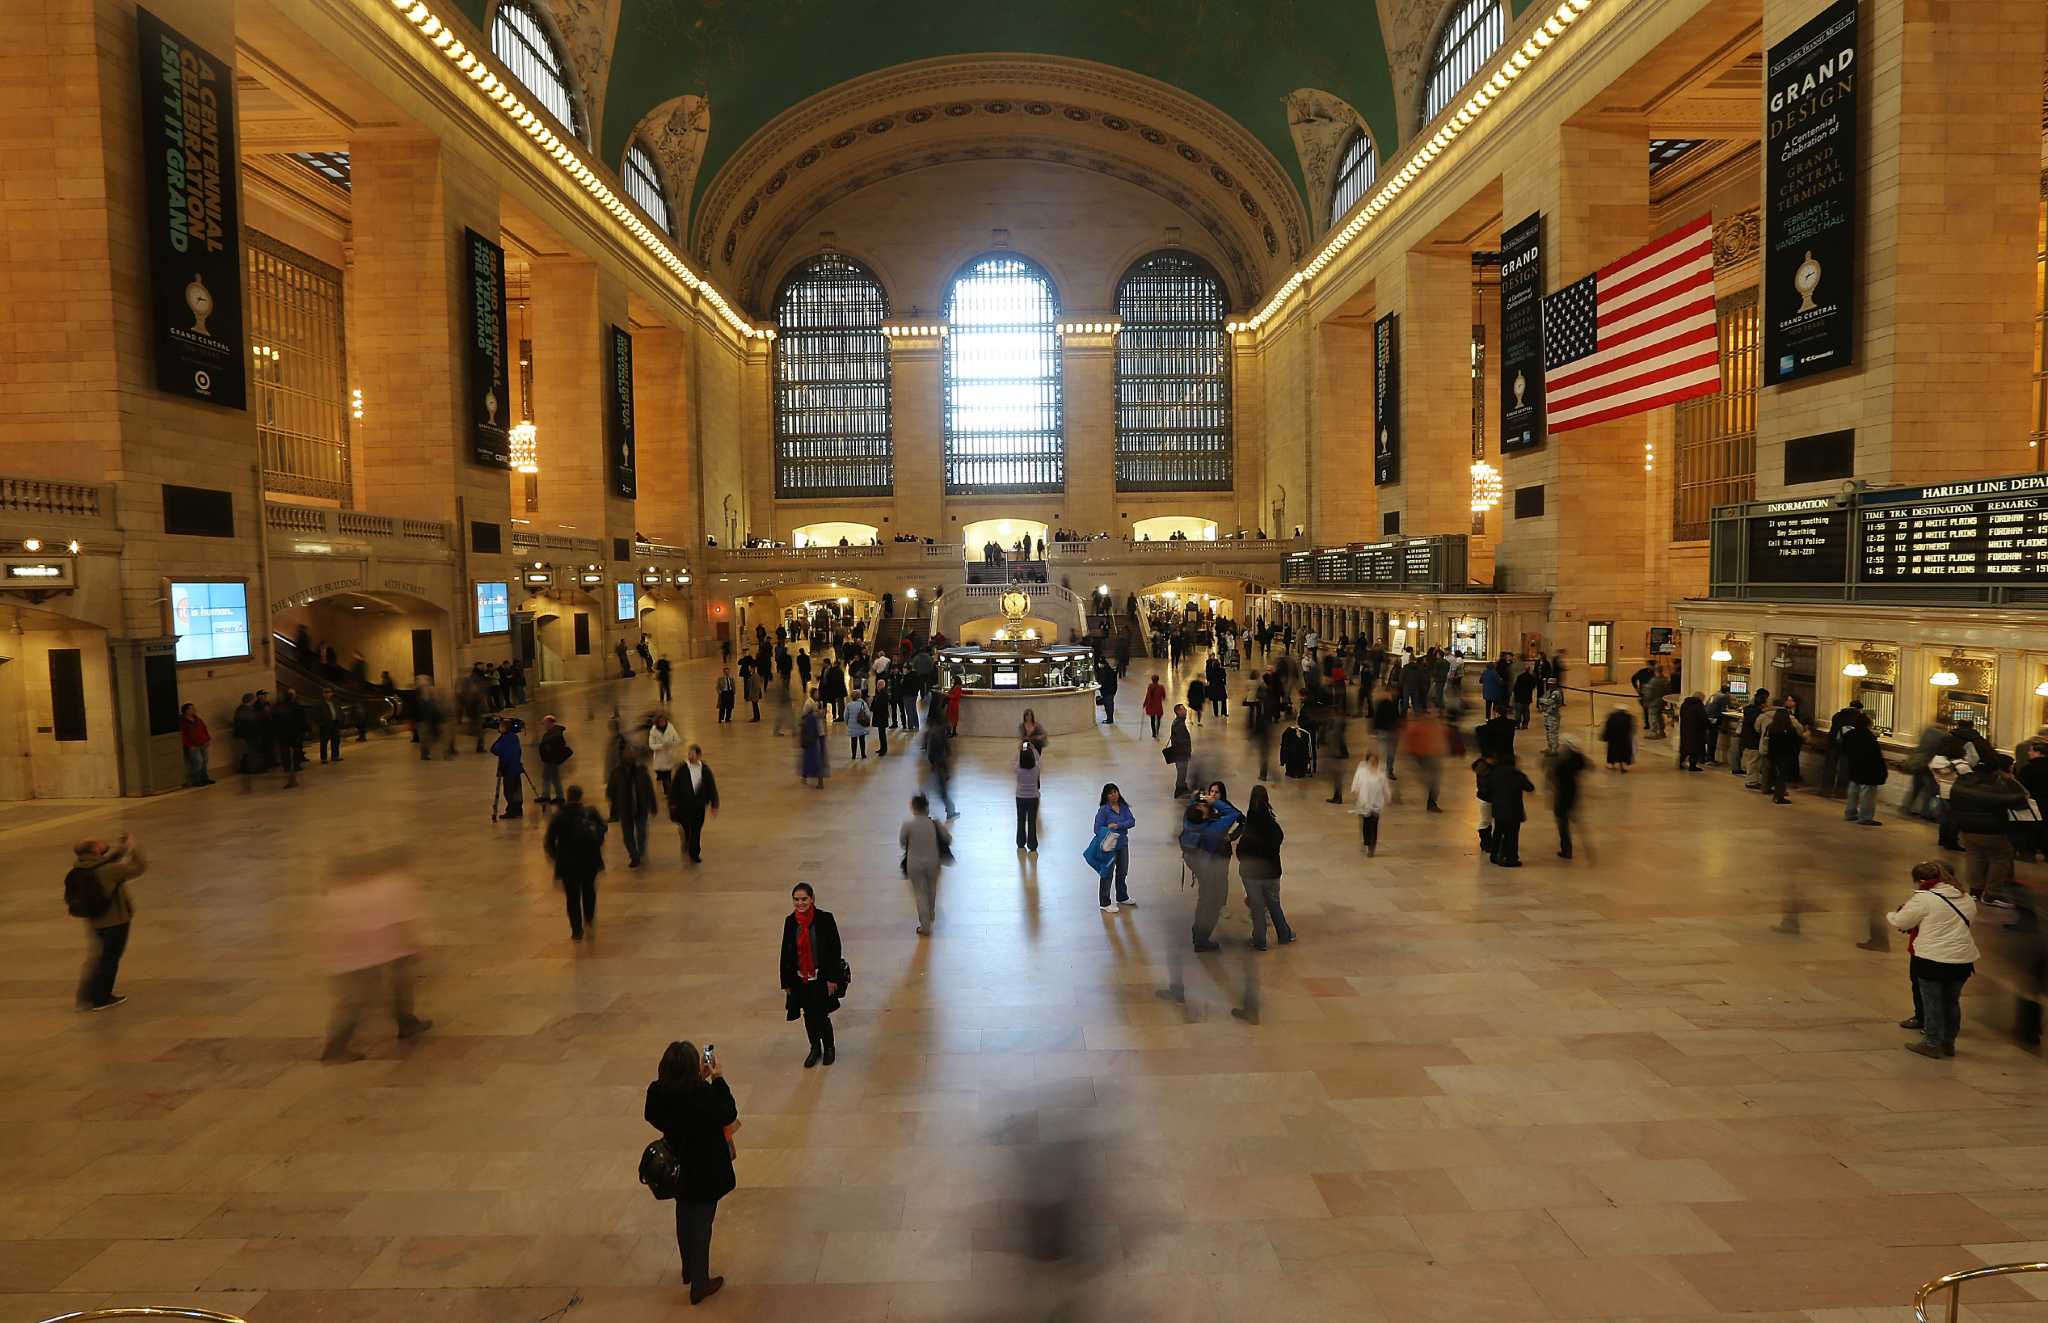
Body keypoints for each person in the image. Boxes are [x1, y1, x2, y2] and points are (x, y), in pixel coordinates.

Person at [644, 1040, 738, 1305]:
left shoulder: (658, 1092)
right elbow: (728, 1112)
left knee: (684, 1213)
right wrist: (717, 1078)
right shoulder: (702, 1095)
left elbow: (651, 1114)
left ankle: (688, 1267)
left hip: (677, 1167)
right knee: (701, 1224)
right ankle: (700, 1282)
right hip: (705, 1168)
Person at [317, 852, 433, 1060]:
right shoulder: (376, 890)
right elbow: (394, 921)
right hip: (365, 957)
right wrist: (415, 944)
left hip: (361, 957)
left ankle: (406, 1022)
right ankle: (335, 1048)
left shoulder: (338, 894)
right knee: (355, 1002)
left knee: (388, 990)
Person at [1887, 860, 1980, 1059]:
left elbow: (1901, 921)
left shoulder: (1924, 899)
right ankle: (1948, 1043)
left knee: (1932, 1002)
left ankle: (1932, 1043)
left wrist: (1892, 914)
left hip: (1933, 960)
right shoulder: (1966, 898)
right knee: (1952, 1002)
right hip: (1962, 960)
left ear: (1921, 880)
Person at [67, 834, 147, 1011]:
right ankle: (101, 998)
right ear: (95, 850)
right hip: (115, 921)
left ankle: (86, 996)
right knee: (110, 959)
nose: (103, 842)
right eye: (98, 842)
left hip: (95, 922)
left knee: (98, 957)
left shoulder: (80, 867)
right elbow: (139, 868)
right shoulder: (109, 870)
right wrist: (134, 849)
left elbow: (105, 861)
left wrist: (122, 849)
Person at [780, 883, 844, 1067]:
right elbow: (786, 951)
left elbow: (834, 950)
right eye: (796, 899)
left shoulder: (825, 919)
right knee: (808, 1015)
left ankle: (829, 1047)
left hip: (820, 977)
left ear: (812, 899)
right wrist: (786, 982)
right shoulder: (790, 922)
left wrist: (832, 978)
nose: (800, 903)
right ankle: (815, 1048)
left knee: (821, 1014)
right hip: (801, 979)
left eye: (804, 899)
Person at [1951, 755, 2028, 903]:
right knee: (2000, 858)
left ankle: (1975, 891)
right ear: (1996, 770)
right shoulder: (1999, 784)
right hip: (1991, 829)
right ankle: (1992, 893)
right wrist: (2010, 778)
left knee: (1974, 857)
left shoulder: (1962, 780)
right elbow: (2021, 798)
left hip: (1966, 827)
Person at [1180, 781, 1242, 952]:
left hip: (1194, 862)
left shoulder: (1188, 820)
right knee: (1211, 903)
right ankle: (1201, 939)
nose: (1205, 805)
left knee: (1203, 898)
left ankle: (1197, 932)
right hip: (1208, 868)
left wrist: (1197, 798)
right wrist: (1216, 802)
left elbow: (1193, 806)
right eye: (1204, 807)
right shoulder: (1213, 829)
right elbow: (1234, 814)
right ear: (1205, 817)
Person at [543, 784, 606, 939]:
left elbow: (549, 841)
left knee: (572, 897)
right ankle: (589, 918)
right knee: (589, 892)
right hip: (588, 861)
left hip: (568, 864)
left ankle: (576, 929)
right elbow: (602, 828)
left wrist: (556, 857)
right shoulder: (589, 812)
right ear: (580, 797)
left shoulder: (559, 816)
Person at [1236, 785, 1295, 951]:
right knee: (1274, 905)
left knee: (1257, 907)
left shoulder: (1250, 826)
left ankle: (1260, 940)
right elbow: (1279, 838)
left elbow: (1241, 851)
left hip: (1252, 874)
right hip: (1271, 872)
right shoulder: (1272, 824)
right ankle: (1284, 934)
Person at [900, 793, 951, 935]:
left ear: (913, 807)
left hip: (914, 863)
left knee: (919, 893)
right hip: (933, 862)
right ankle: (931, 912)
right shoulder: (935, 823)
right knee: (932, 889)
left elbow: (902, 842)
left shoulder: (908, 825)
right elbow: (948, 839)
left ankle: (925, 925)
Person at [607, 743, 657, 868]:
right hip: (625, 809)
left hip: (641, 808)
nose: (629, 759)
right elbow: (610, 792)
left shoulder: (642, 772)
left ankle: (640, 852)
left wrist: (652, 805)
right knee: (627, 835)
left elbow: (649, 789)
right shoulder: (616, 773)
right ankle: (634, 856)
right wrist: (615, 807)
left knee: (641, 832)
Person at [1091, 784, 1136, 913]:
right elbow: (1097, 829)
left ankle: (1122, 896)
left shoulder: (1124, 808)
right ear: (1106, 796)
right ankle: (1104, 902)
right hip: (1109, 848)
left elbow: (1132, 821)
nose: (1114, 795)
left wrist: (1118, 825)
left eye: (1115, 792)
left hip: (1122, 845)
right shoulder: (1103, 810)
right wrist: (1109, 829)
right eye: (1110, 793)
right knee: (1107, 873)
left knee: (1122, 871)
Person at [1486, 752, 1534, 866]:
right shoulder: (1516, 774)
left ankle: (1494, 855)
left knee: (1497, 832)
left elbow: (1488, 788)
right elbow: (1530, 787)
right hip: (1513, 810)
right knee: (1512, 835)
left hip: (1498, 809)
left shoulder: (1494, 773)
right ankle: (1510, 859)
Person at [1840, 712, 1888, 826]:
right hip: (1868, 769)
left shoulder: (1849, 734)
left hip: (1854, 766)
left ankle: (1850, 813)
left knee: (1853, 791)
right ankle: (1865, 817)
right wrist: (1882, 770)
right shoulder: (1868, 737)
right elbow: (1875, 755)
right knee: (1867, 794)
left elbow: (1844, 749)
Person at [1550, 740, 1589, 859]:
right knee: (1567, 821)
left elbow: (1554, 775)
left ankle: (1566, 849)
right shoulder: (1576, 760)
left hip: (1562, 796)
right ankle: (1566, 848)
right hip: (1573, 793)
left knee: (1563, 823)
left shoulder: (1562, 763)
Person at [1348, 750, 1390, 856]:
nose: (1373, 762)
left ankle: (1372, 847)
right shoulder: (1361, 771)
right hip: (1364, 802)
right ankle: (1366, 842)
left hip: (1376, 803)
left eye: (1375, 760)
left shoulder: (1381, 772)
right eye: (1371, 760)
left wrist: (1388, 796)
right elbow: (1356, 784)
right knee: (1366, 825)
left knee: (1374, 825)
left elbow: (1385, 786)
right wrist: (1356, 794)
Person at [1763, 708, 1803, 804]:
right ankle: (1779, 796)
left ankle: (1772, 791)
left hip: (1772, 754)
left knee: (1774, 774)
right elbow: (1796, 742)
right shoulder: (1790, 729)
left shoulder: (1770, 727)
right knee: (1782, 776)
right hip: (1785, 755)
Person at [271, 690, 307, 788]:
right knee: (296, 751)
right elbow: (302, 720)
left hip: (282, 735)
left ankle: (287, 767)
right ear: (292, 697)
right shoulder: (296, 707)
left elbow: (273, 721)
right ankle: (295, 768)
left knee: (285, 752)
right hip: (295, 734)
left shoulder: (277, 708)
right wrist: (305, 731)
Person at [490, 717, 525, 818]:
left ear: (504, 728)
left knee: (509, 791)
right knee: (517, 790)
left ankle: (511, 811)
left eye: (500, 726)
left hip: (508, 769)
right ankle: (518, 810)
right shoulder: (514, 737)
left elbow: (495, 750)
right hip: (516, 767)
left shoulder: (504, 739)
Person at [923, 718, 957, 819]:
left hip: (937, 766)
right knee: (941, 791)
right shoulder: (940, 734)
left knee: (931, 790)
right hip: (940, 766)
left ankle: (926, 813)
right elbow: (948, 751)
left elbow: (930, 753)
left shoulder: (933, 733)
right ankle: (950, 811)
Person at [535, 715, 572, 806]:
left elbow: (557, 745)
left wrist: (547, 747)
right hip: (550, 759)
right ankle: (549, 795)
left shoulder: (555, 733)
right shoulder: (554, 732)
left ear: (550, 722)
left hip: (552, 759)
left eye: (545, 723)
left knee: (553, 778)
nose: (544, 725)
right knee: (549, 777)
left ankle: (557, 797)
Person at [1736, 688, 1769, 780]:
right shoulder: (1758, 714)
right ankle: (1751, 781)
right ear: (1762, 704)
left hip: (1747, 738)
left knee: (1750, 759)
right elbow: (1757, 727)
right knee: (1753, 761)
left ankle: (1751, 779)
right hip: (1754, 739)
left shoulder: (1749, 710)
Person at [1014, 742, 1042, 852]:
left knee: (1020, 820)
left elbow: (1016, 759)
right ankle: (1032, 844)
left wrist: (1020, 750)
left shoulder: (1018, 769)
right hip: (1033, 798)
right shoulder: (1036, 769)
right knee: (1031, 821)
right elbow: (1039, 759)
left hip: (1020, 797)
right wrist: (1033, 749)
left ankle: (1020, 842)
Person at [178, 702, 213, 787]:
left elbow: (204, 729)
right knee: (198, 762)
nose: (194, 710)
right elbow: (183, 735)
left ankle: (204, 778)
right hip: (193, 746)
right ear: (186, 711)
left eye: (194, 708)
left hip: (203, 743)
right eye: (191, 709)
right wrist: (189, 745)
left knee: (205, 761)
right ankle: (196, 780)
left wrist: (208, 739)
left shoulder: (197, 719)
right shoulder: (183, 722)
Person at [798, 698, 828, 788]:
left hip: (809, 744)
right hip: (813, 743)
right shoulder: (814, 718)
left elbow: (805, 731)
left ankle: (810, 779)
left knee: (810, 762)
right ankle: (818, 781)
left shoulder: (807, 719)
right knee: (815, 762)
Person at [1167, 703, 1193, 797]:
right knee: (1181, 772)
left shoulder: (1179, 722)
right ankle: (1179, 790)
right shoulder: (1179, 725)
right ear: (1178, 712)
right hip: (1181, 753)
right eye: (1183, 709)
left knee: (1182, 771)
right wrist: (1187, 751)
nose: (1185, 710)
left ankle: (1183, 786)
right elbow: (1182, 741)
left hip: (1180, 753)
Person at [1676, 692, 1707, 771]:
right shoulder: (1698, 705)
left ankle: (1681, 762)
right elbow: (1702, 718)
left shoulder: (1685, 704)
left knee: (1685, 746)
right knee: (1695, 748)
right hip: (1696, 731)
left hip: (1685, 728)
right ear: (1701, 698)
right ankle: (1693, 765)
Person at [315, 687, 344, 765]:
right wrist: (320, 723)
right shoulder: (319, 703)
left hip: (335, 723)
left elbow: (339, 711)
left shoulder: (335, 702)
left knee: (336, 740)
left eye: (329, 692)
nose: (327, 694)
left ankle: (335, 756)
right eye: (326, 692)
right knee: (324, 741)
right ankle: (324, 758)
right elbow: (316, 715)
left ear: (331, 693)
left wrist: (340, 720)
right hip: (325, 725)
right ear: (323, 693)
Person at [1601, 707, 1635, 772]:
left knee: (1612, 751)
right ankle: (1624, 765)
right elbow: (1631, 729)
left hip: (1613, 738)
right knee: (1624, 752)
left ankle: (1611, 764)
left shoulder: (1611, 717)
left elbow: (1607, 728)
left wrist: (1605, 736)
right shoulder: (1628, 717)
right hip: (1624, 739)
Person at [1536, 681, 1565, 755]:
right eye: (1549, 684)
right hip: (1547, 715)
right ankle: (1549, 747)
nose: (1550, 685)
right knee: (1548, 733)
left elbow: (1549, 702)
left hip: (1553, 716)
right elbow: (1541, 699)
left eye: (1552, 684)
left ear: (1555, 684)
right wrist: (1542, 701)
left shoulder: (1556, 693)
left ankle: (1554, 749)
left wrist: (1542, 700)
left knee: (1553, 733)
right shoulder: (1548, 692)